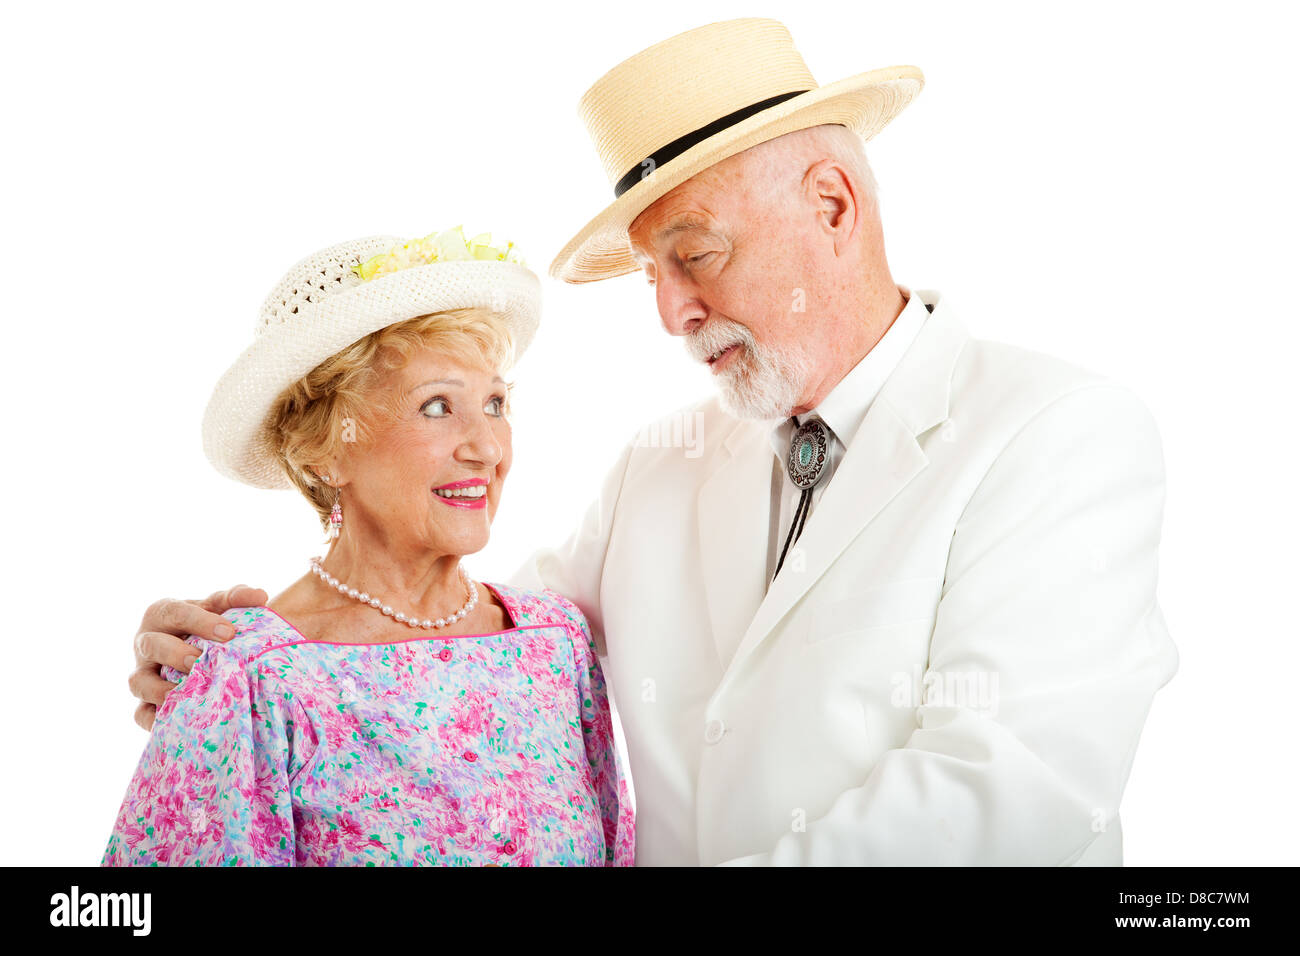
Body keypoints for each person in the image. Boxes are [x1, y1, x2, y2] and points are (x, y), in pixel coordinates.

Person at [127, 19, 1177, 865]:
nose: (671, 312)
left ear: (832, 204)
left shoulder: (1056, 431)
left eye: (696, 254)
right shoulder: (661, 462)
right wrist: (221, 662)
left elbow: (1005, 792)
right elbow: (476, 643)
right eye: (650, 274)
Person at [105, 229, 634, 866]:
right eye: (438, 406)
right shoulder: (247, 677)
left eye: (495, 402)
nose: (488, 448)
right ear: (324, 449)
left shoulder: (555, 645)